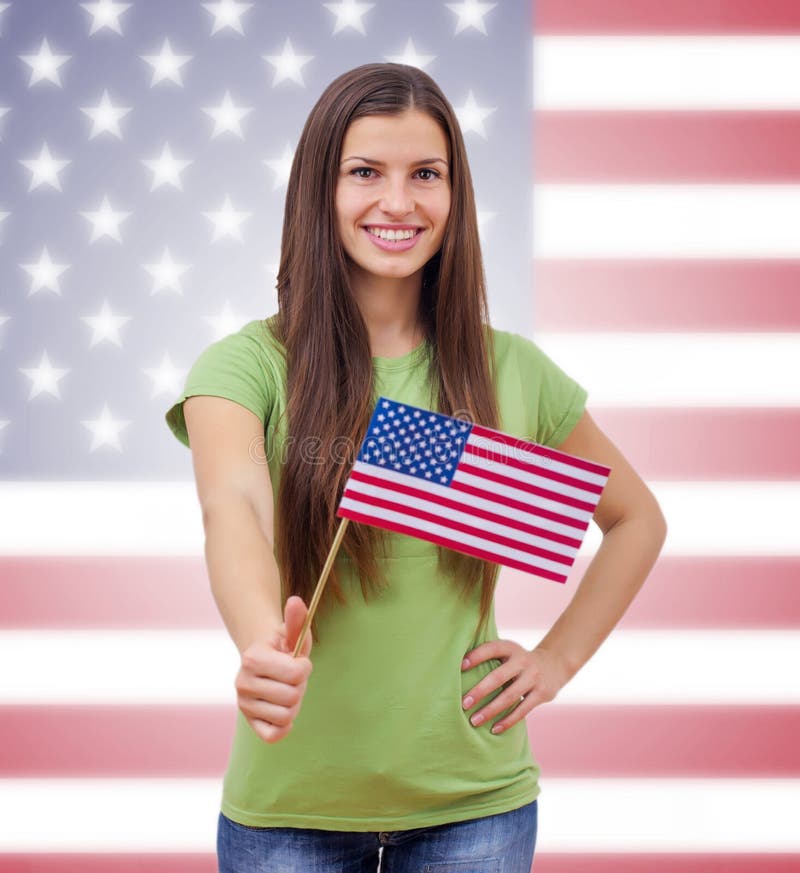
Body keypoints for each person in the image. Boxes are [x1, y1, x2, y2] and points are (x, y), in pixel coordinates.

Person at [165, 62, 667, 873]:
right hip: (288, 813)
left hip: (476, 811)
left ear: (455, 194)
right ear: (318, 192)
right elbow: (235, 509)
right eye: (365, 172)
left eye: (424, 175)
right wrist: (263, 640)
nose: (397, 203)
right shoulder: (245, 366)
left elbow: (637, 519)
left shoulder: (516, 371)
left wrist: (558, 659)